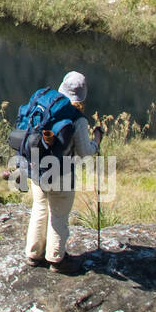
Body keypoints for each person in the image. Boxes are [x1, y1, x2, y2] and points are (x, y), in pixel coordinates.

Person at [23, 70, 104, 274]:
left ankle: (33, 254)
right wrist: (97, 141)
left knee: (39, 208)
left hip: (37, 169)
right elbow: (85, 153)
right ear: (83, 94)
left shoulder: (46, 103)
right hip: (61, 175)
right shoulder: (77, 119)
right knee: (58, 215)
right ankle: (56, 259)